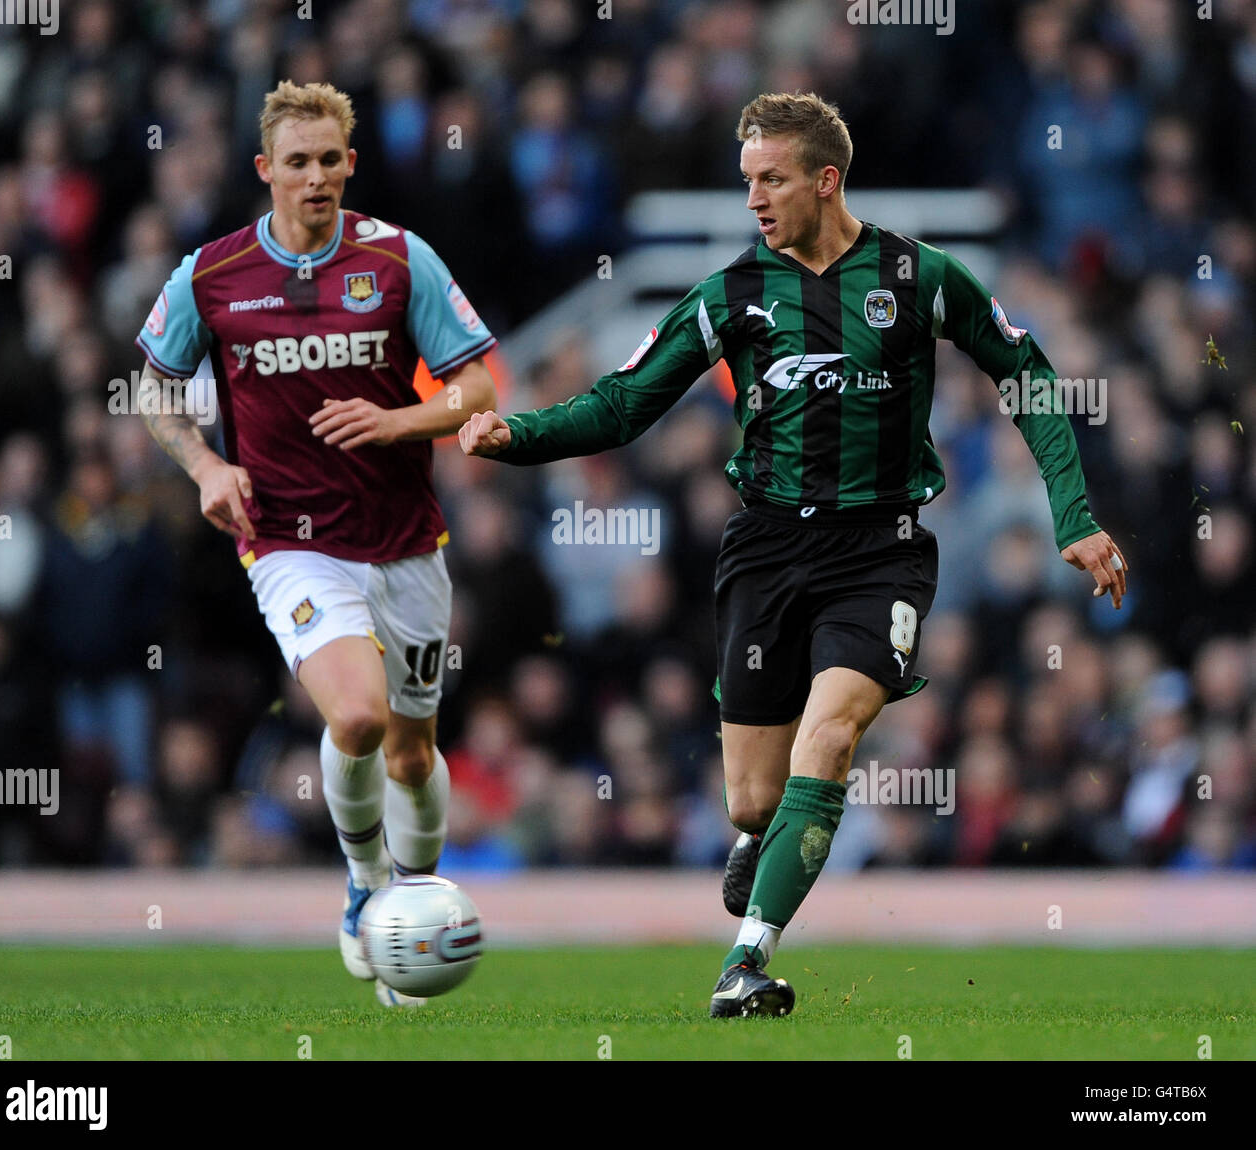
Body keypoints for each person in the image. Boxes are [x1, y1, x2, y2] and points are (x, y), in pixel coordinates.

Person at [460, 92, 1128, 1018]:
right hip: (767, 549)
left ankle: (746, 961)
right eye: (746, 182)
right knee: (751, 800)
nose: (754, 200)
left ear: (826, 179)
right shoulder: (733, 294)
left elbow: (1027, 371)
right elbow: (620, 406)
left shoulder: (918, 275)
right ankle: (765, 843)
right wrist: (514, 435)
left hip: (881, 549)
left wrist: (1073, 514)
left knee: (833, 737)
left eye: (770, 180)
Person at [136, 81, 498, 1007]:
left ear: (350, 164)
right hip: (290, 543)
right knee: (358, 719)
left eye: (331, 159)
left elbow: (477, 392)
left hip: (406, 541)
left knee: (413, 753)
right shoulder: (212, 277)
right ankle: (367, 886)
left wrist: (399, 423)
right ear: (266, 170)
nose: (316, 177)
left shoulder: (400, 259)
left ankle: (414, 895)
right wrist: (207, 470)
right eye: (296, 162)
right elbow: (153, 389)